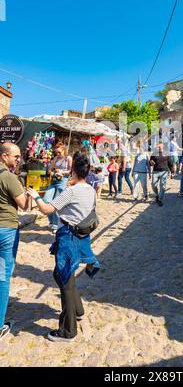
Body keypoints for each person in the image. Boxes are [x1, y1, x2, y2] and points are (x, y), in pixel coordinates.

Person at [27, 153, 100, 342]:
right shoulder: (91, 190)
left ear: (74, 171)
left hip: (68, 237)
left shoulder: (72, 191)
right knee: (61, 275)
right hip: (82, 236)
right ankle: (78, 310)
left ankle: (68, 331)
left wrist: (36, 196)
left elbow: (47, 210)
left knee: (65, 279)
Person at [0, 142, 30, 342]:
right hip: (6, 230)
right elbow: (24, 205)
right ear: (4, 156)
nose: (19, 160)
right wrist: (29, 193)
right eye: (16, 156)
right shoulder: (8, 177)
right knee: (3, 276)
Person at [43, 142, 72, 233]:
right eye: (56, 152)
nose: (58, 154)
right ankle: (51, 221)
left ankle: (56, 224)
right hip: (54, 180)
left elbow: (70, 171)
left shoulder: (68, 158)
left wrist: (62, 172)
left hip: (63, 181)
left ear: (64, 150)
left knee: (57, 203)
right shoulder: (56, 158)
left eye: (59, 152)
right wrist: (53, 173)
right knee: (46, 200)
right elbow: (50, 169)